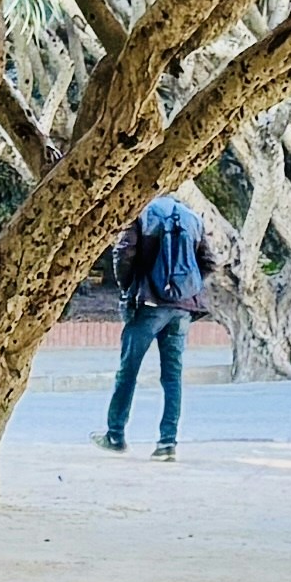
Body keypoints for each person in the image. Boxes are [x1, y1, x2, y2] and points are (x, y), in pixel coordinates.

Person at [96, 187, 213, 458]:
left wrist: (130, 287)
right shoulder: (194, 218)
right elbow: (208, 262)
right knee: (172, 377)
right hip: (182, 309)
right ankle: (167, 443)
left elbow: (122, 254)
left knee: (128, 372)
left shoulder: (142, 214)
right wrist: (185, 288)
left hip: (148, 305)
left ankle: (115, 434)